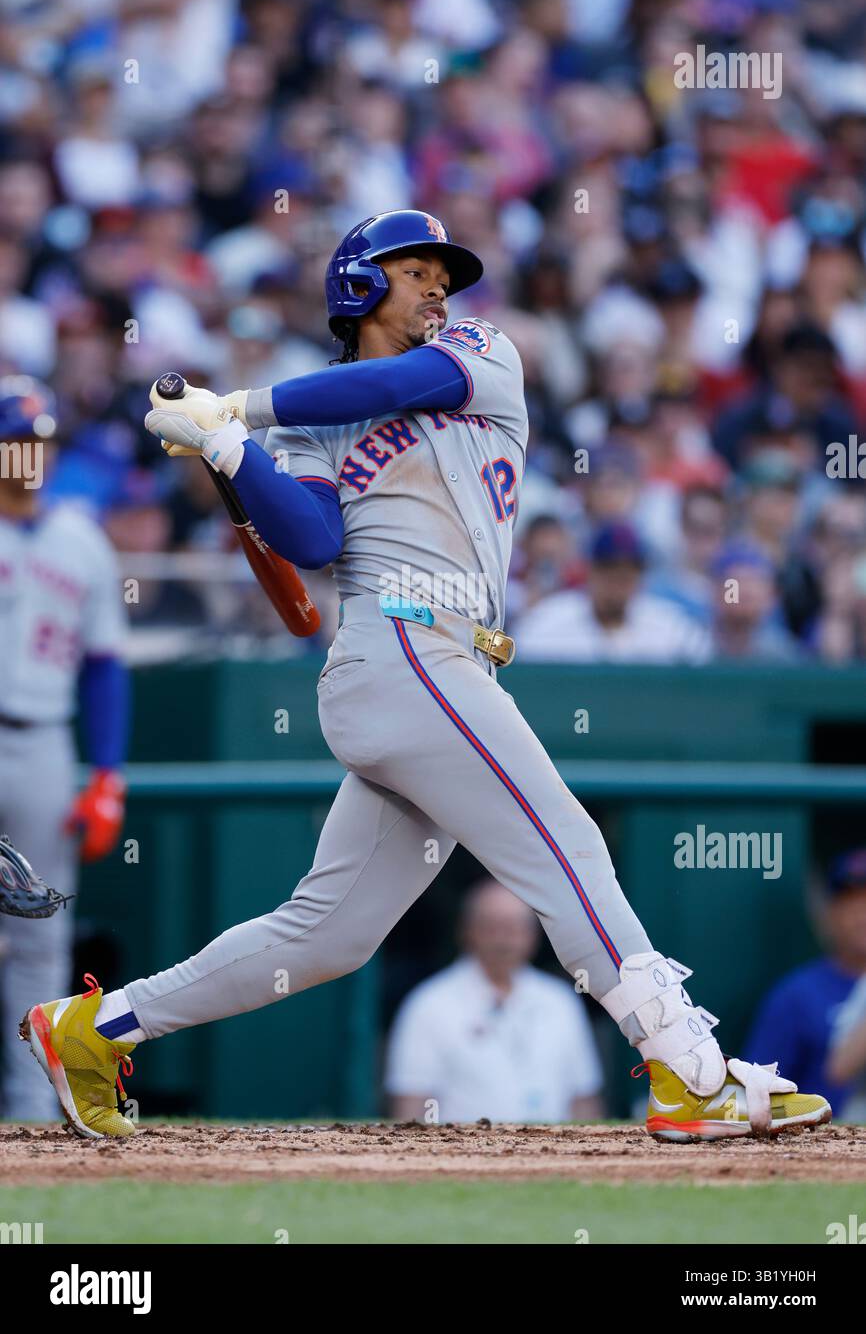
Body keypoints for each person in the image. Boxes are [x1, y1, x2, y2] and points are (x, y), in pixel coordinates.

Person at [19, 210, 829, 1142]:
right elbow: (313, 540)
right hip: (399, 647)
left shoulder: (476, 352)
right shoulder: (310, 420)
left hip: (441, 658)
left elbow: (407, 380)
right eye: (416, 270)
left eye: (445, 272)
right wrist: (230, 451)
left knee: (324, 936)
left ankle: (93, 1026)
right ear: (360, 284)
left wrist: (237, 410)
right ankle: (689, 1072)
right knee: (568, 847)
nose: (441, 286)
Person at [0, 378, 128, 1120]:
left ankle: (31, 1111)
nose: (29, 454)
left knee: (40, 933)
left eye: (38, 439)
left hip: (46, 738)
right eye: (16, 438)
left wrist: (108, 771)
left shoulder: (81, 536)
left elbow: (105, 663)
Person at [386, 881, 604, 1123]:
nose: (504, 940)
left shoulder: (561, 1001)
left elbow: (583, 1099)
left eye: (514, 928)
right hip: (463, 1157)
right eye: (492, 927)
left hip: (554, 1156)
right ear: (467, 930)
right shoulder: (429, 1004)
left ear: (533, 934)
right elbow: (411, 1106)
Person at [744, 849, 866, 1118]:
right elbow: (756, 1093)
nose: (862, 914)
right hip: (827, 1141)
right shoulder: (797, 995)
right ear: (831, 913)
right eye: (852, 901)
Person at [514, 520, 711, 663]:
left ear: (639, 577)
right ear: (591, 572)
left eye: (627, 575)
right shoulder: (548, 621)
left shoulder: (669, 627)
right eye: (610, 571)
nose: (618, 583)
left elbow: (706, 663)